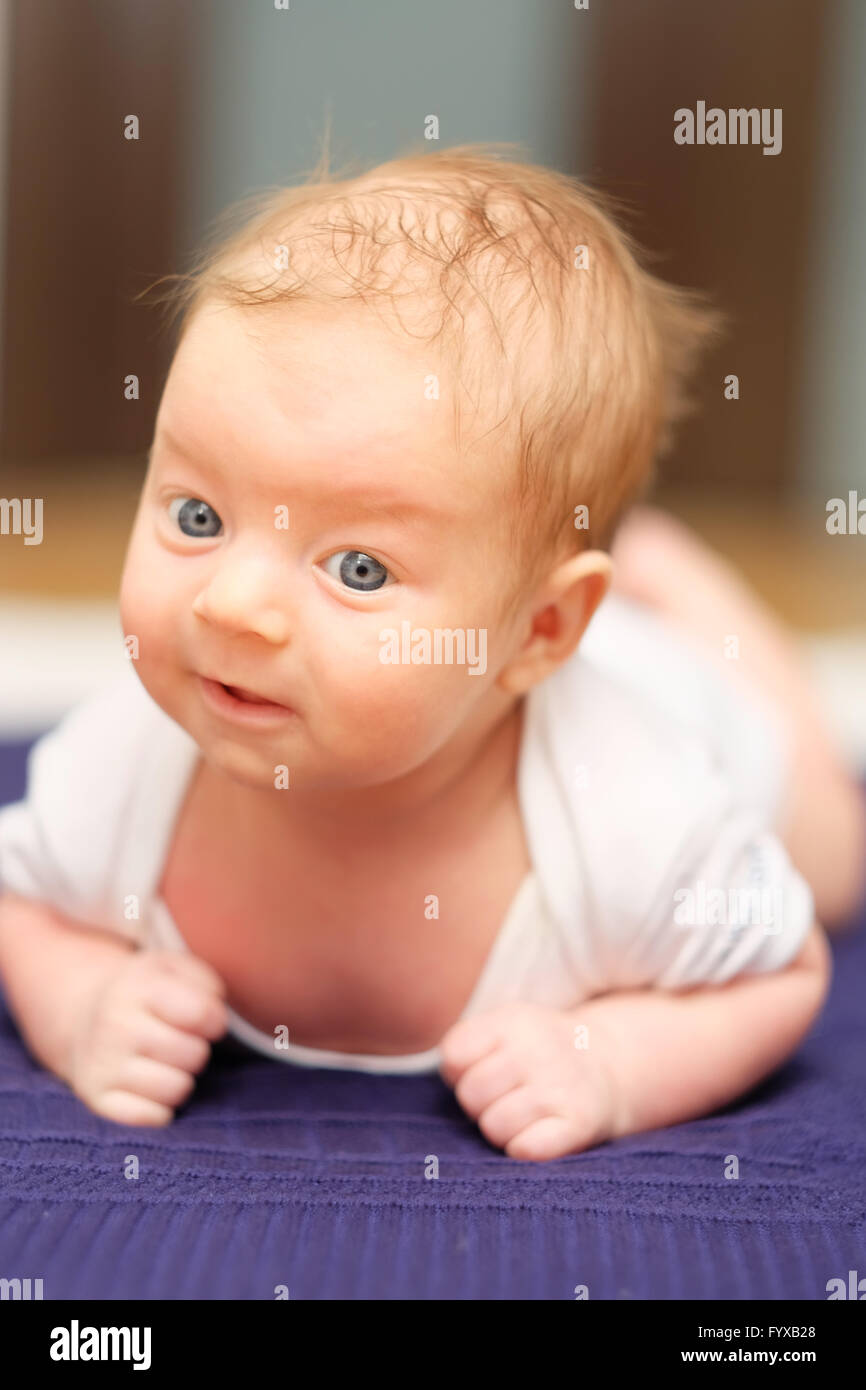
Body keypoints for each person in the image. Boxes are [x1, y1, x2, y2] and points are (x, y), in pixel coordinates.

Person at [0, 146, 857, 1162]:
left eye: (356, 569)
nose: (231, 606)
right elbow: (21, 893)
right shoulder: (128, 768)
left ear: (538, 632)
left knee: (835, 858)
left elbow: (783, 966)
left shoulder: (635, 827)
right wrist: (81, 997)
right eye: (196, 514)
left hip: (681, 699)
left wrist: (613, 1062)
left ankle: (702, 601)